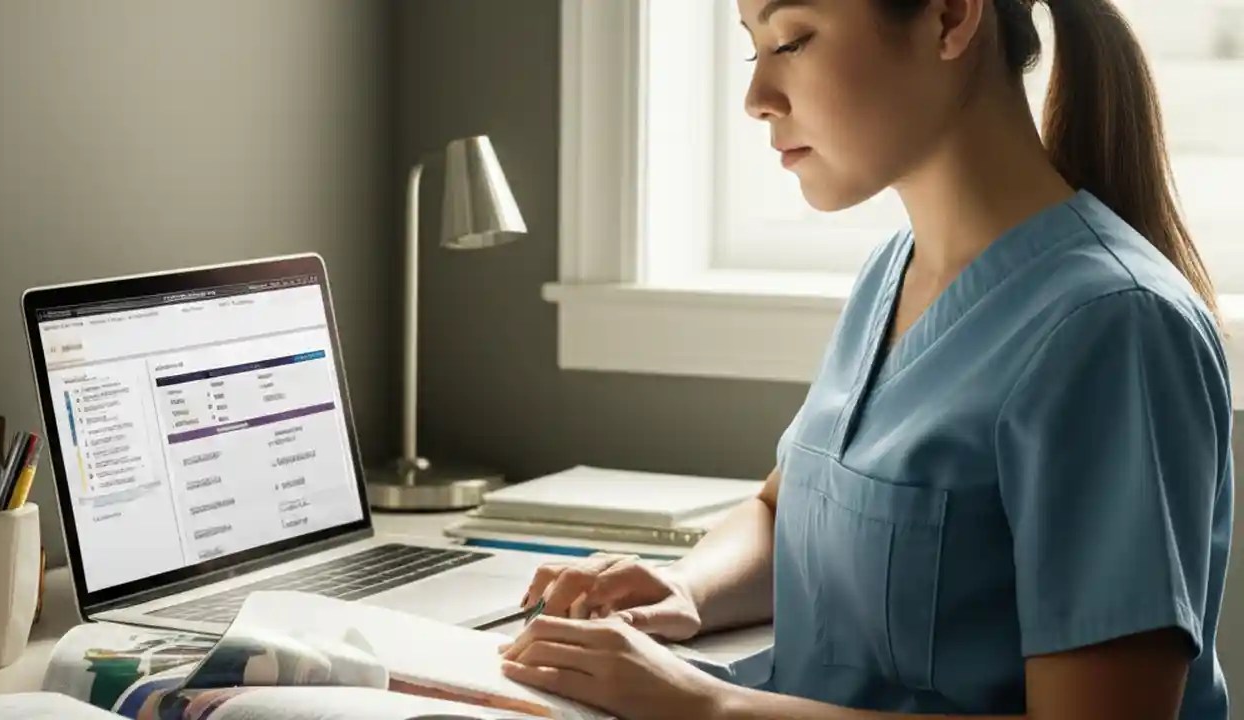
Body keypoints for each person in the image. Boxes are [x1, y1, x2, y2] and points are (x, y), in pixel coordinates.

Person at [498, 0, 1233, 718]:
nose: (756, 97)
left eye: (791, 41)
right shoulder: (894, 273)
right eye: (754, 49)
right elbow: (786, 509)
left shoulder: (1113, 331)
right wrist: (683, 588)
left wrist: (704, 704)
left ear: (949, 18)